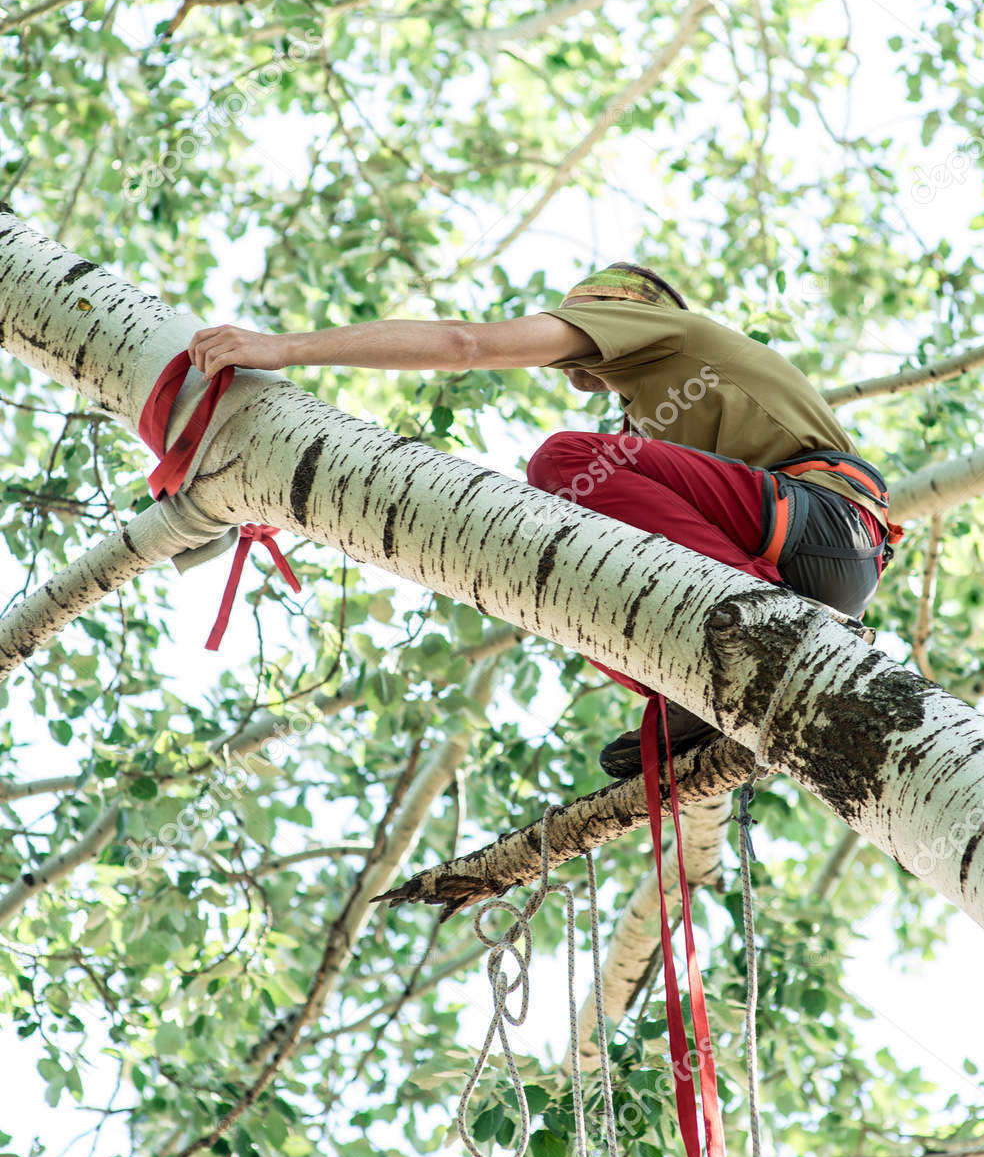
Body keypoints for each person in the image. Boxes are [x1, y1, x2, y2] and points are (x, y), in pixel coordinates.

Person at [189, 260, 901, 777]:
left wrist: (282, 349)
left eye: (577, 317)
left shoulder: (657, 325)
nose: (565, 352)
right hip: (815, 549)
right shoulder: (678, 408)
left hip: (824, 524)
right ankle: (693, 687)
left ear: (616, 310)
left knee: (564, 463)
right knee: (574, 567)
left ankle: (763, 630)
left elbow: (466, 345)